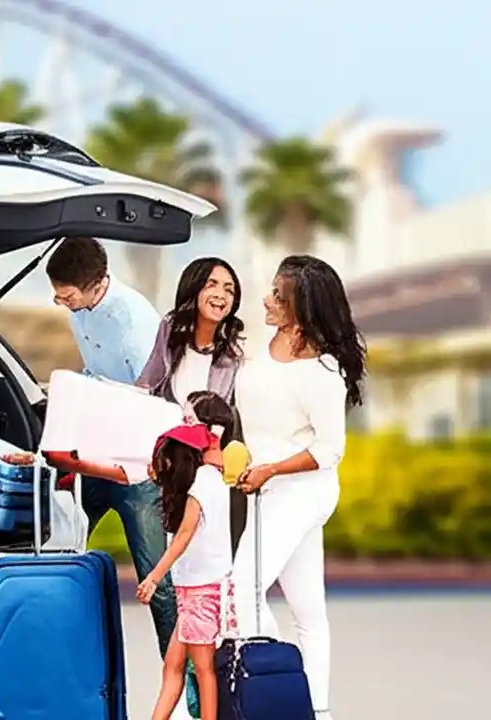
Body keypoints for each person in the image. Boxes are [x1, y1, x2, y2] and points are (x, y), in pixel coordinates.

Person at [40, 237, 193, 707]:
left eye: (66, 294)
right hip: (96, 456)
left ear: (97, 284)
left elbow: (152, 397)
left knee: (157, 582)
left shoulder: (135, 322)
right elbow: (95, 373)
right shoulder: (80, 310)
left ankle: (187, 692)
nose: (58, 302)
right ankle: (55, 668)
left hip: (136, 466)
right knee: (57, 546)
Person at [230, 255, 367, 720]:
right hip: (269, 488)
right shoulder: (264, 342)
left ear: (301, 308)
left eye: (277, 296)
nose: (266, 300)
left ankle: (280, 679)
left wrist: (269, 470)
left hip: (303, 490)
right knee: (308, 611)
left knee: (239, 589)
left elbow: (330, 450)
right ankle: (318, 710)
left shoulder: (324, 371)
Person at [134, 257, 249, 556]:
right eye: (212, 284)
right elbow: (147, 386)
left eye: (229, 290)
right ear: (194, 288)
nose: (221, 296)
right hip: (166, 465)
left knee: (204, 561)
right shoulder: (170, 332)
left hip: (208, 470)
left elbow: (226, 418)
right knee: (167, 559)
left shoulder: (233, 358)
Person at [136, 396, 237, 720]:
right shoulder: (211, 477)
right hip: (195, 589)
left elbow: (183, 536)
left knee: (203, 668)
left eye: (189, 419)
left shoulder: (204, 483)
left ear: (213, 431)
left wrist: (153, 577)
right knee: (174, 665)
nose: (183, 425)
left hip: (200, 590)